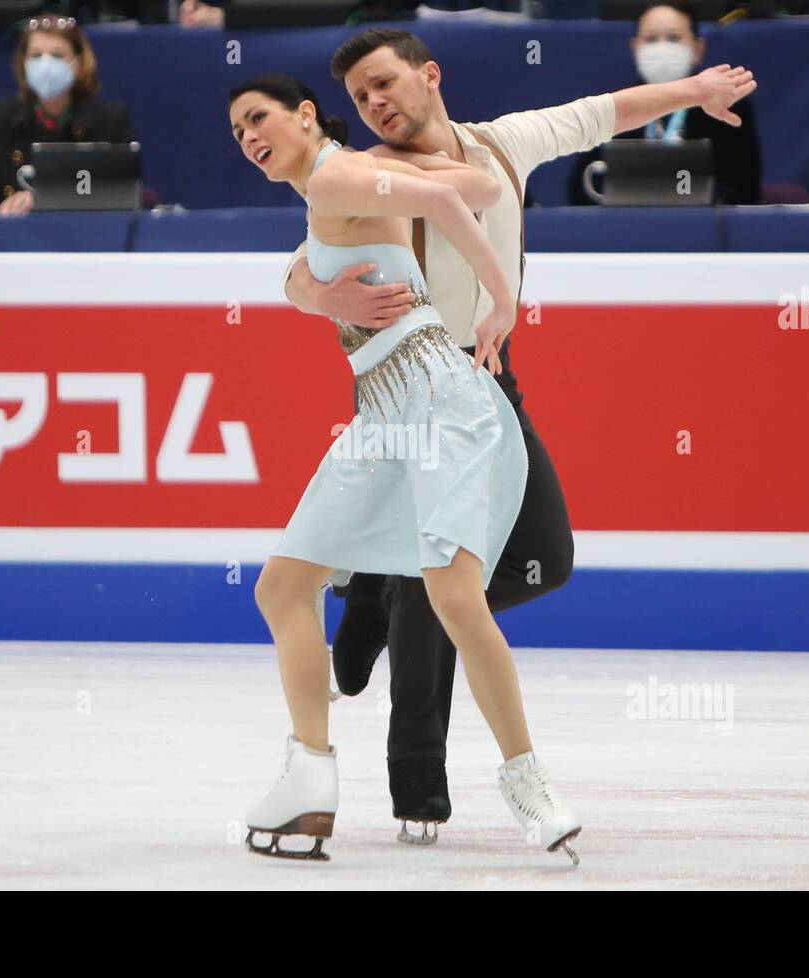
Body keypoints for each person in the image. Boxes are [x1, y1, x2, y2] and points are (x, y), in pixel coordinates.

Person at [283, 27, 755, 843]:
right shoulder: (368, 178)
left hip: (490, 384)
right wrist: (325, 301)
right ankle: (418, 789)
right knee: (445, 591)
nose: (375, 104)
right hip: (410, 400)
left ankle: (378, 591)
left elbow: (600, 114)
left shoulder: (503, 145)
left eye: (386, 83)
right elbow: (298, 268)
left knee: (541, 556)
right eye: (360, 98)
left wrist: (693, 93)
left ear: (430, 75)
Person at [229, 74, 583, 863]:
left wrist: (501, 299)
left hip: (436, 397)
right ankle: (309, 779)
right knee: (284, 586)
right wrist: (318, 294)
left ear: (304, 115)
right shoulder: (333, 182)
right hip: (386, 410)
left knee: (454, 595)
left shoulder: (331, 172)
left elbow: (465, 197)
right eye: (236, 131)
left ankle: (529, 780)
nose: (248, 136)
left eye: (258, 118)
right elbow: (452, 191)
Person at [568, 2, 762, 206]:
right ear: (635, 48)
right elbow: (581, 189)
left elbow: (745, 190)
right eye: (651, 39)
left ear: (697, 48)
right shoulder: (616, 105)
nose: (661, 48)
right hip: (625, 230)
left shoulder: (727, 106)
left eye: (674, 38)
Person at [0, 15, 135, 215]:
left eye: (57, 55)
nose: (45, 65)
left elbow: (126, 192)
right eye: (36, 56)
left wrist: (43, 199)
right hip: (17, 240)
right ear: (24, 62)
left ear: (78, 63)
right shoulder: (4, 117)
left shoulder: (109, 118)